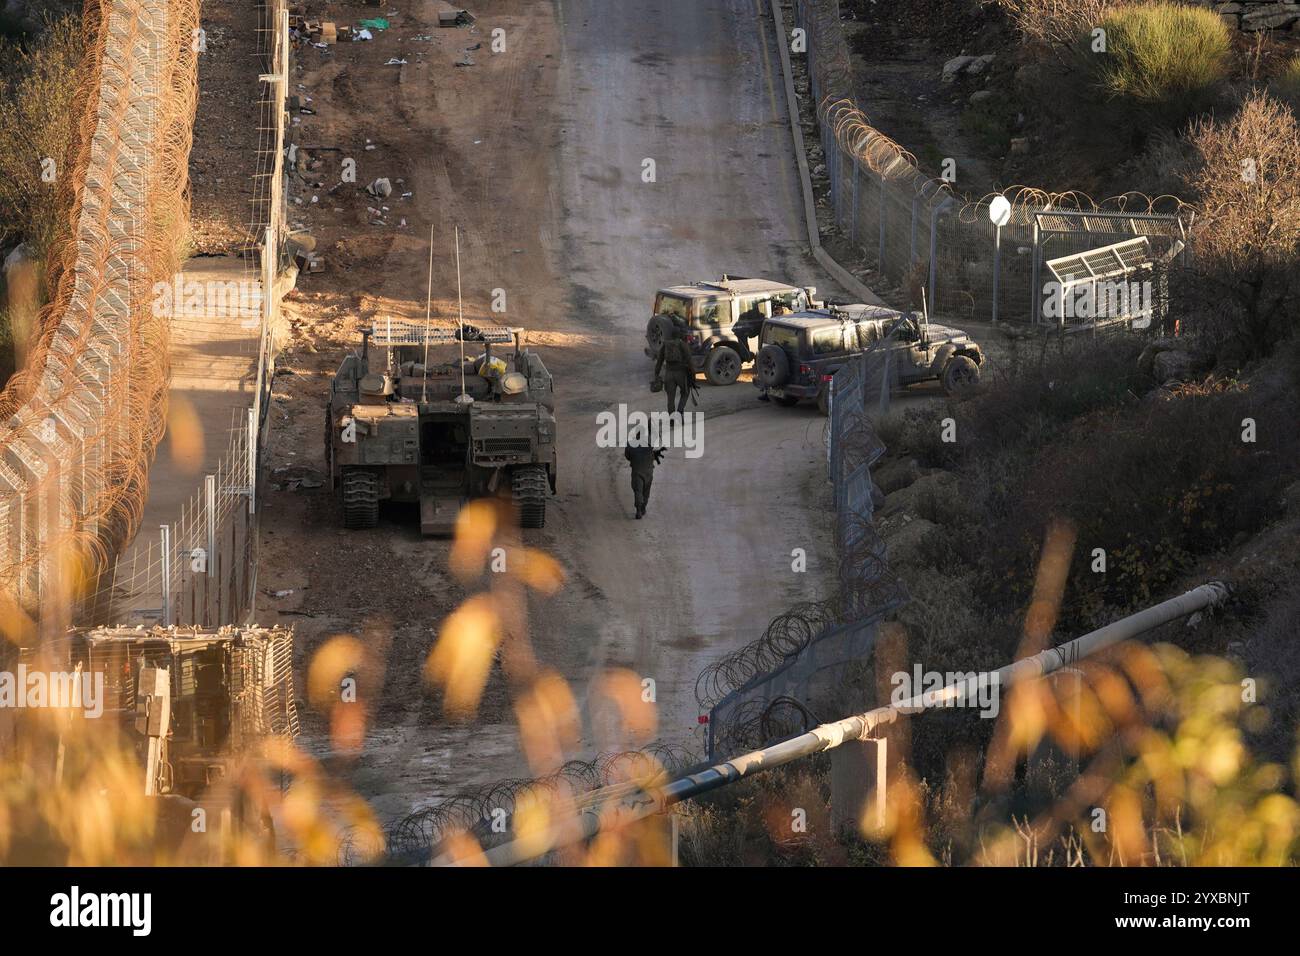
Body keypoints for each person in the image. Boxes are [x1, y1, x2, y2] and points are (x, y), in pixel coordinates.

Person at [654, 321, 695, 417]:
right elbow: (689, 360)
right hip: (681, 373)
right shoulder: (682, 344)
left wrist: (656, 374)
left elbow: (659, 361)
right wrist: (693, 374)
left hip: (669, 374)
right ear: (679, 335)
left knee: (670, 398)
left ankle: (672, 419)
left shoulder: (665, 345)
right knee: (685, 393)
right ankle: (679, 412)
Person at [623, 428, 664, 519]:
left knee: (638, 491)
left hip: (637, 471)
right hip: (648, 472)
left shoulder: (630, 445)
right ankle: (643, 507)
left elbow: (627, 456)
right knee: (646, 491)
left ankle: (638, 510)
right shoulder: (649, 445)